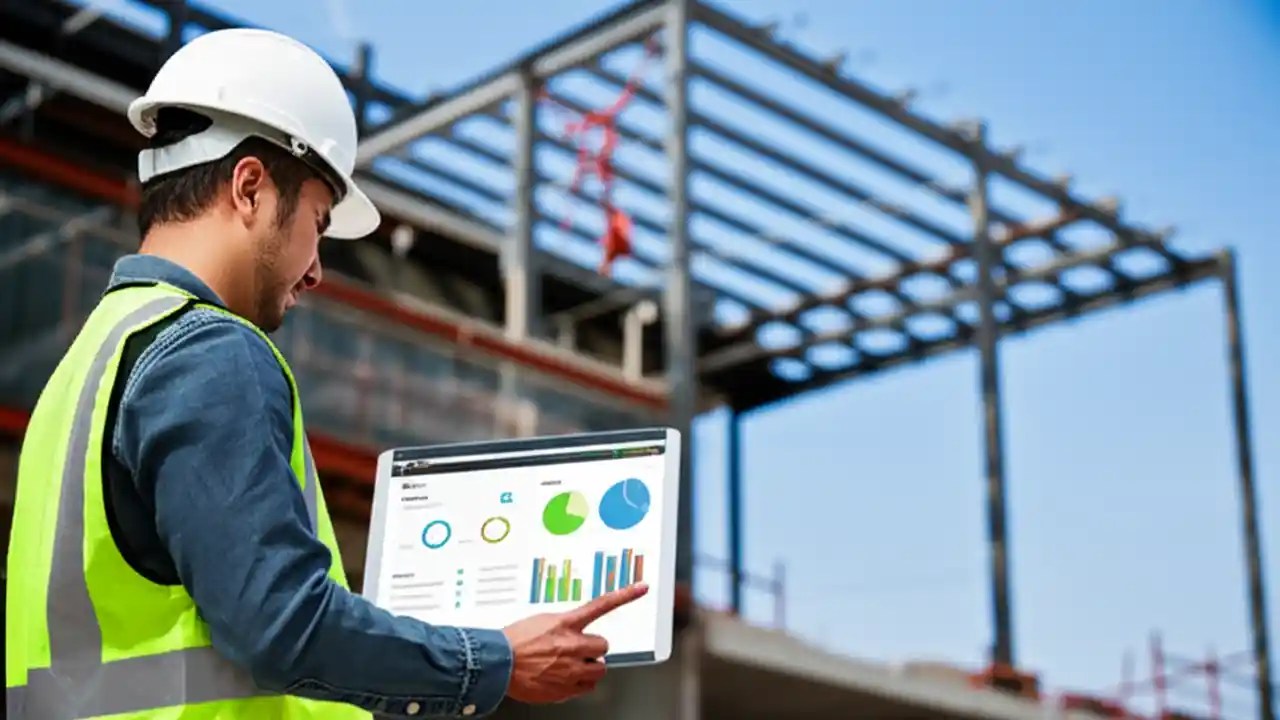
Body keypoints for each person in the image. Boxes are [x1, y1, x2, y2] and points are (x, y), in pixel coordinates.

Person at [4, 27, 646, 720]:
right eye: (317, 219)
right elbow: (283, 627)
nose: (315, 269)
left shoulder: (89, 364)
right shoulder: (211, 352)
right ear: (250, 188)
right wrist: (494, 660)